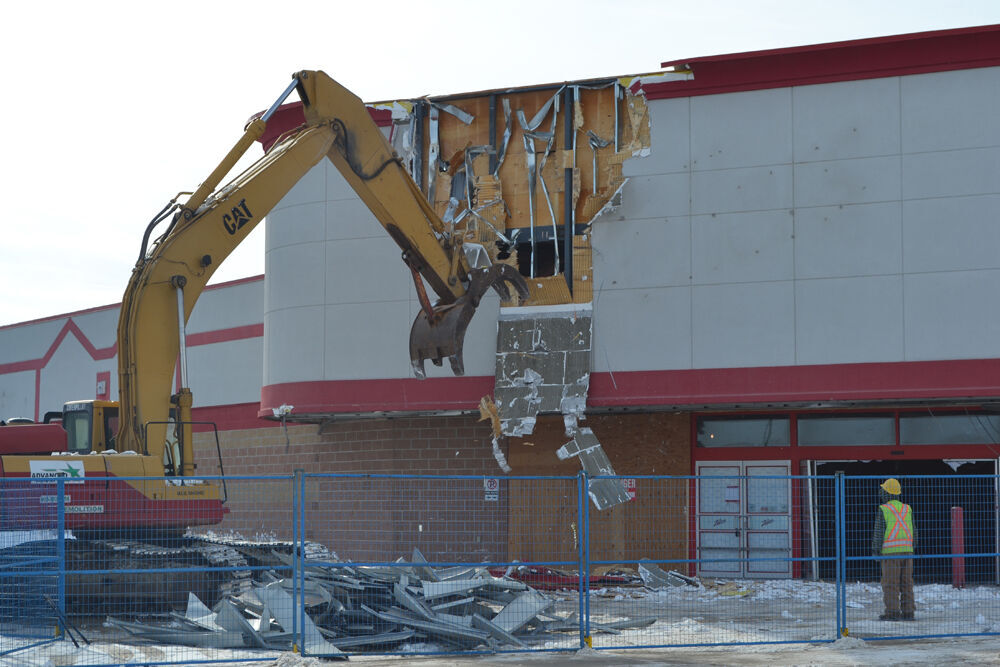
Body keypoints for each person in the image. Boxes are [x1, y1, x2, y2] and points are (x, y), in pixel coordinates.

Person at [871, 477, 916, 620]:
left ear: (886, 493)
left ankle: (892, 612)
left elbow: (879, 532)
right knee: (907, 582)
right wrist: (912, 547)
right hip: (907, 551)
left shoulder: (884, 509)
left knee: (891, 583)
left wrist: (876, 550)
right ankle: (908, 612)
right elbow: (914, 530)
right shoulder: (907, 508)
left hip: (890, 552)